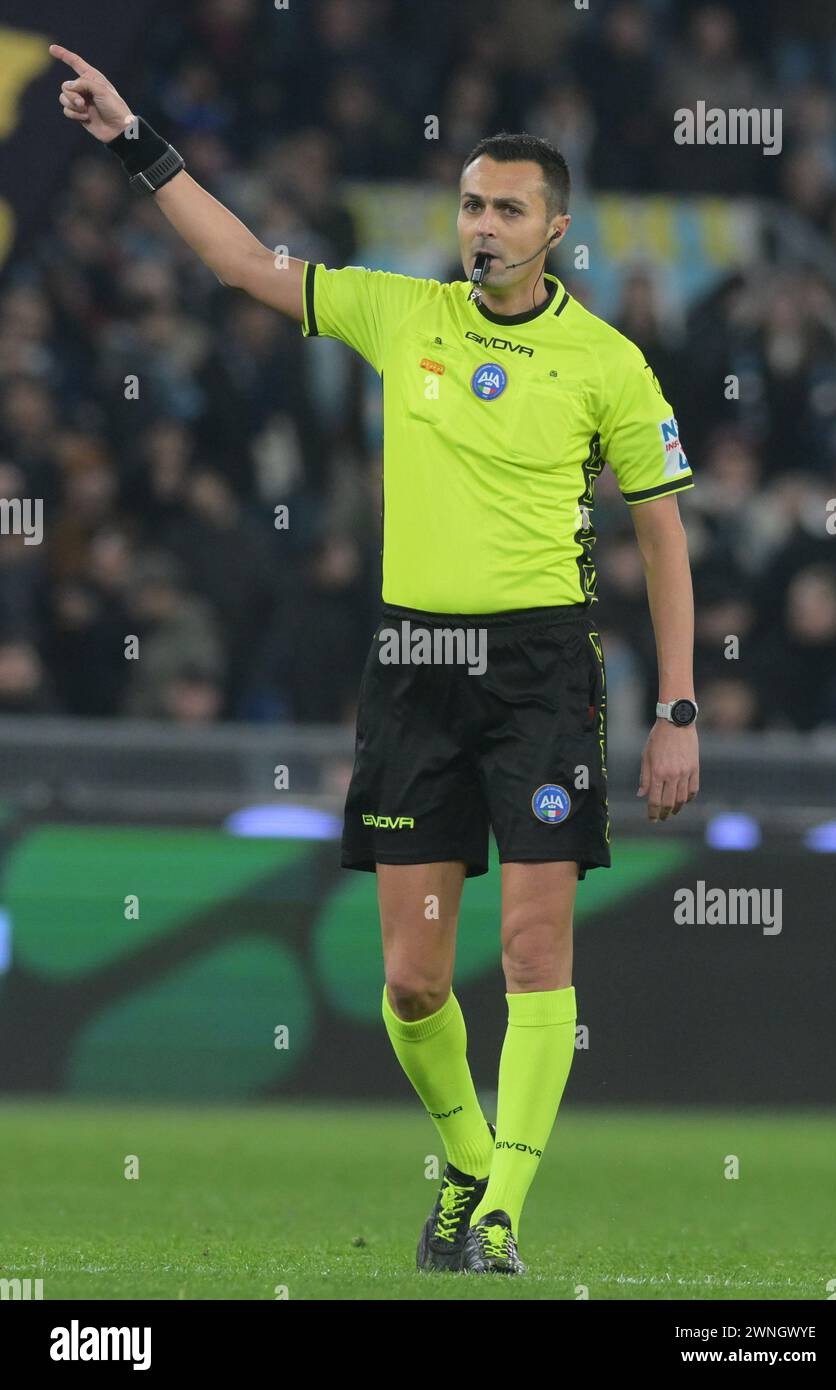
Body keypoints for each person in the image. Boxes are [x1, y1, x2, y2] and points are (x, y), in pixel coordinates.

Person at [52, 43, 701, 1276]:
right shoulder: (400, 314)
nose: (483, 226)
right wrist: (133, 138)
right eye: (469, 204)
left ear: (555, 228)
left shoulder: (608, 362)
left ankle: (502, 1207)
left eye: (509, 208)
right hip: (412, 663)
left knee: (528, 950)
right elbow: (243, 262)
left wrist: (676, 704)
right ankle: (464, 1157)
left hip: (543, 670)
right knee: (411, 979)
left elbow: (662, 542)